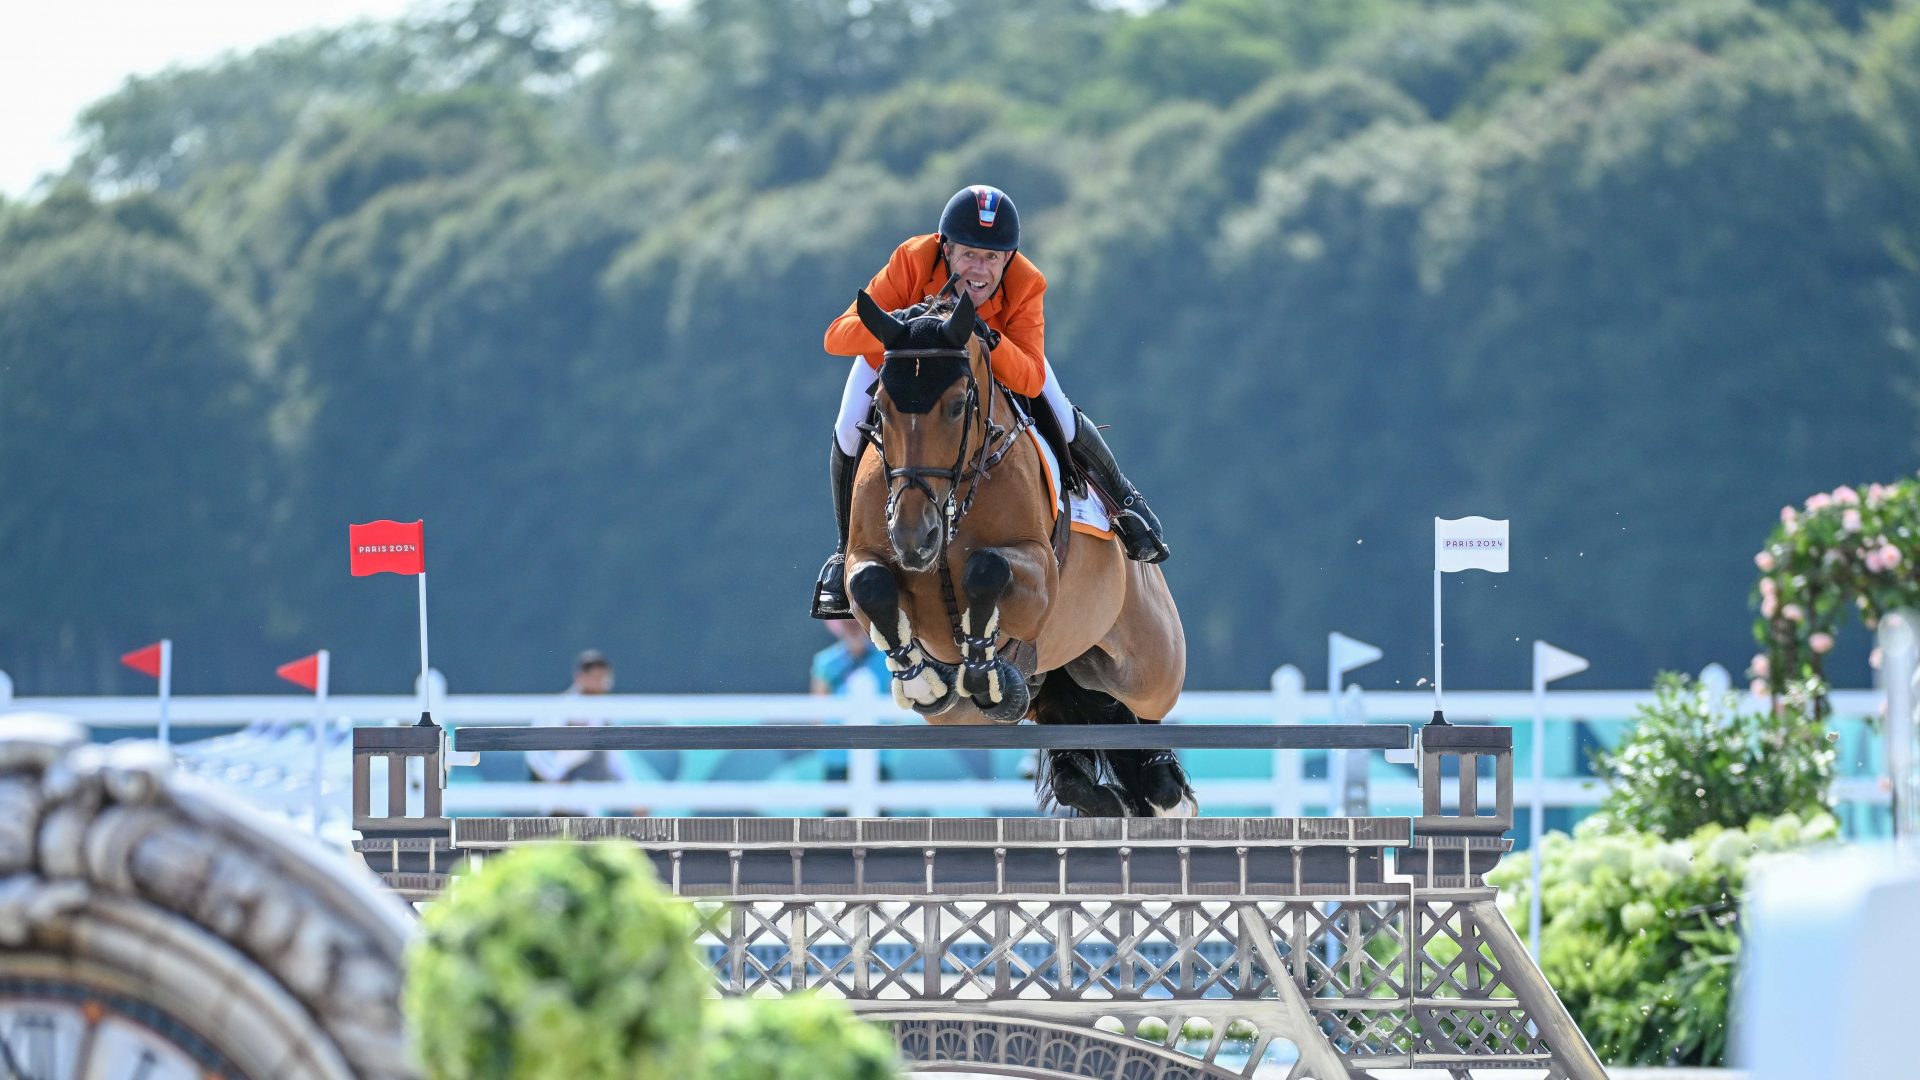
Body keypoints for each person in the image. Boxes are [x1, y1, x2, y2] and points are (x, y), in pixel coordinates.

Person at [808, 184, 1170, 619]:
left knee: (1063, 416)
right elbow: (837, 335)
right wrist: (904, 322)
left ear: (1008, 260)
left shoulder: (1027, 282)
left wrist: (984, 337)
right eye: (968, 255)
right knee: (850, 426)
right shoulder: (913, 258)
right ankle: (840, 551)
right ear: (945, 249)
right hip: (907, 361)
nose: (979, 270)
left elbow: (1032, 377)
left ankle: (1126, 502)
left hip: (993, 358)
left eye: (992, 258)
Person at [526, 649, 638, 814]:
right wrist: (553, 777)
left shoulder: (604, 714)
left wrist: (633, 795)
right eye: (596, 677)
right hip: (554, 796)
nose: (601, 683)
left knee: (587, 836)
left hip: (587, 799)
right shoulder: (560, 709)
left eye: (604, 677)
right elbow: (535, 752)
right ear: (581, 677)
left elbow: (614, 758)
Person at [810, 617, 891, 696]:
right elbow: (819, 704)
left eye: (857, 625)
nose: (853, 631)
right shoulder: (825, 662)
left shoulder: (889, 660)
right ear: (840, 625)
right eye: (848, 625)